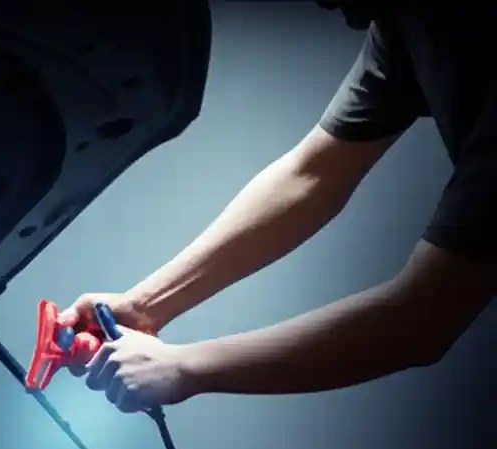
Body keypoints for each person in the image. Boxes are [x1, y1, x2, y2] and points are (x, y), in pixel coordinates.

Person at [62, 6, 496, 414]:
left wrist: (184, 367)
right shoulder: (406, 18)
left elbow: (424, 319)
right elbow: (312, 176)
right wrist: (144, 305)